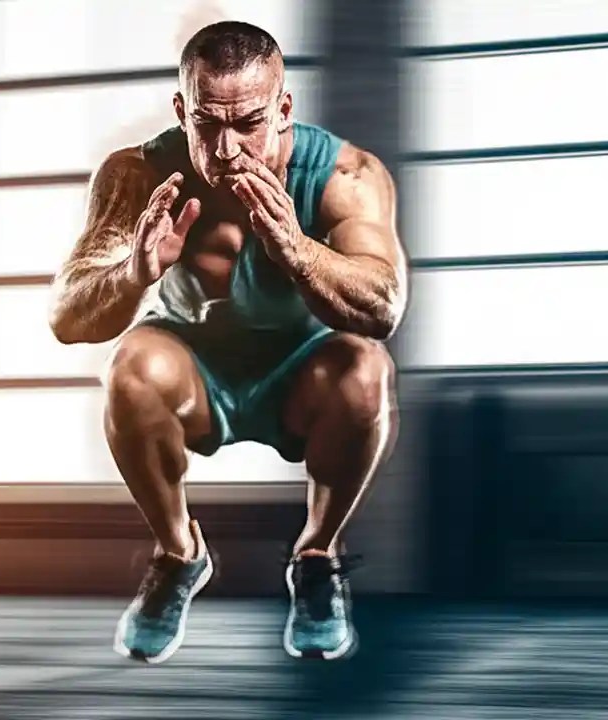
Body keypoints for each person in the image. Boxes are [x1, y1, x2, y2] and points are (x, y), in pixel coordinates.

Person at [48, 19, 407, 663]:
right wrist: (134, 271)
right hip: (195, 369)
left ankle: (317, 557)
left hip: (302, 375)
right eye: (209, 124)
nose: (228, 146)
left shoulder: (346, 175)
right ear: (182, 110)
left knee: (368, 371)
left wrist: (297, 249)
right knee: (129, 367)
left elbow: (383, 306)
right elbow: (67, 317)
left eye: (248, 122)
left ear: (283, 108)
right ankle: (180, 555)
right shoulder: (137, 174)